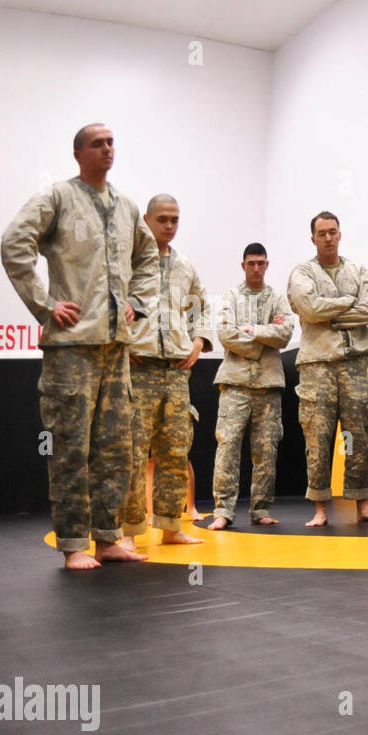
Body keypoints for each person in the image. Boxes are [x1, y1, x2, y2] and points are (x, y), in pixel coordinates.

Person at [1, 123, 158, 569]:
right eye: (97, 144)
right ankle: (72, 544)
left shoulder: (126, 206)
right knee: (70, 448)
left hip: (115, 348)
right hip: (71, 349)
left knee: (116, 448)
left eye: (111, 143)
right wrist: (45, 305)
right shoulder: (58, 198)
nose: (107, 149)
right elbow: (14, 243)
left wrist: (137, 302)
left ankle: (107, 539)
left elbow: (148, 257)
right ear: (78, 154)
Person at [119, 194, 213, 550]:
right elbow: (110, 305)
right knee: (133, 452)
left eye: (175, 219)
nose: (169, 225)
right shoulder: (128, 262)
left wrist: (199, 341)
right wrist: (122, 345)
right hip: (138, 368)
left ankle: (171, 526)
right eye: (162, 219)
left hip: (176, 372)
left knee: (175, 451)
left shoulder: (185, 267)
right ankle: (128, 531)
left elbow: (201, 306)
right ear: (146, 220)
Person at [287, 211, 368, 527]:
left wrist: (329, 312)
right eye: (322, 233)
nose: (328, 237)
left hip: (353, 363)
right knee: (318, 436)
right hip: (317, 365)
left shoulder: (358, 271)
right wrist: (348, 302)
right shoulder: (303, 273)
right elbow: (309, 307)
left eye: (333, 231)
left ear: (340, 234)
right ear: (313, 238)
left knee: (357, 434)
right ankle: (320, 507)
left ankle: (362, 503)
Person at [207, 243, 298, 529]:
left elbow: (284, 334)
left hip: (268, 385)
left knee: (266, 451)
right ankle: (223, 510)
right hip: (235, 383)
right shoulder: (231, 297)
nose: (256, 268)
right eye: (251, 263)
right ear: (243, 265)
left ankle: (260, 509)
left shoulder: (278, 299)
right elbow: (226, 333)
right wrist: (263, 342)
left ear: (267, 265)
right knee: (228, 447)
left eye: (261, 263)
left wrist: (253, 330)